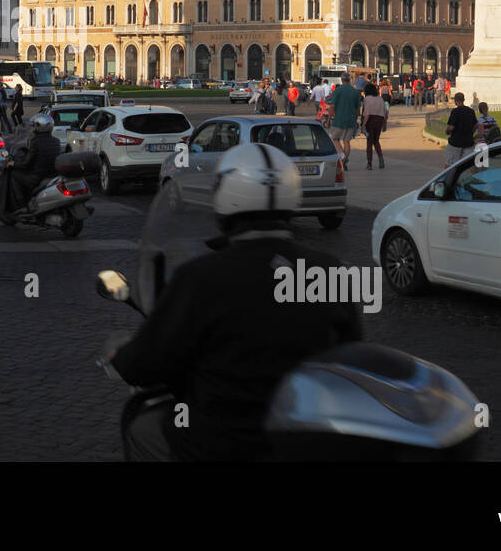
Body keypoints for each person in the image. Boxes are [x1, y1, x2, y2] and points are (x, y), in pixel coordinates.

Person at [110, 142, 362, 461]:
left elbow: (144, 363)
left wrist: (123, 357)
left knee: (144, 429)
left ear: (226, 197)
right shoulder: (330, 270)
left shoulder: (200, 277)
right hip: (309, 439)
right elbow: (352, 353)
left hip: (226, 440)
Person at [7, 113, 61, 209]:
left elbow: (26, 164)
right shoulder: (56, 141)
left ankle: (22, 205)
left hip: (38, 177)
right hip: (52, 175)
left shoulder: (36, 142)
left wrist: (13, 163)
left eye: (34, 126)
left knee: (14, 174)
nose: (32, 129)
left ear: (39, 127)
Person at [328, 73, 362, 168]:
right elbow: (358, 109)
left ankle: (342, 157)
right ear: (350, 80)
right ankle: (345, 161)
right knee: (347, 141)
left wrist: (328, 119)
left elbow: (332, 106)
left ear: (341, 80)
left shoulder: (337, 90)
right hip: (351, 120)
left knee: (335, 139)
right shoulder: (355, 92)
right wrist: (355, 119)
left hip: (339, 120)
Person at [444, 92, 478, 167]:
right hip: (468, 142)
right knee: (470, 165)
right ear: (464, 100)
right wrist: (471, 132)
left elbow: (451, 127)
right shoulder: (471, 111)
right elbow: (476, 125)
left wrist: (447, 131)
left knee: (449, 164)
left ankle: (447, 178)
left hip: (456, 142)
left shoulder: (455, 111)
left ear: (455, 101)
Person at [359, 82, 387, 170]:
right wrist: (384, 125)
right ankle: (381, 158)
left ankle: (369, 164)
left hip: (370, 121)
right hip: (380, 121)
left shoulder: (367, 99)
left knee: (369, 143)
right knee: (376, 141)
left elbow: (367, 113)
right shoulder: (380, 99)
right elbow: (385, 113)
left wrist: (363, 125)